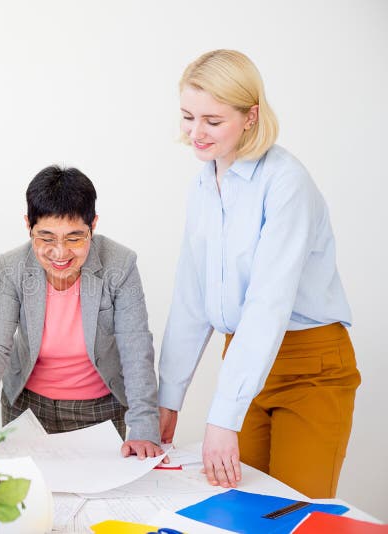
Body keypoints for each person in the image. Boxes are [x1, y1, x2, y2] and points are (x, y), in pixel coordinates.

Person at [158, 49, 360, 498]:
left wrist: (222, 418)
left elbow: (268, 305)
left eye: (212, 120)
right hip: (245, 364)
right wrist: (168, 397)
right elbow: (191, 299)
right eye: (188, 117)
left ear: (250, 116)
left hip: (310, 367)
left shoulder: (286, 182)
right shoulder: (202, 184)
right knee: (232, 509)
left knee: (291, 515)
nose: (196, 133)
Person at [0, 166, 162, 459]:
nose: (60, 252)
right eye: (46, 238)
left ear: (94, 225)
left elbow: (135, 345)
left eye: (75, 238)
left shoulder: (120, 265)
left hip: (100, 409)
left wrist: (143, 428)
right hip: (26, 408)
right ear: (29, 226)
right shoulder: (13, 268)